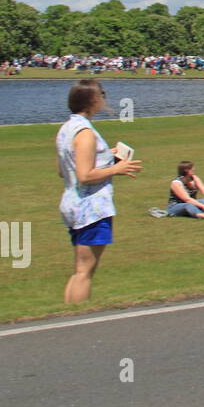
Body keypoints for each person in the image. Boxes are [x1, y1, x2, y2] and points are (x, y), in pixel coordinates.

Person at [57, 80, 141, 303]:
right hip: (91, 208)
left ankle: (67, 315)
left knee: (79, 270)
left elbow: (63, 170)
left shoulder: (67, 128)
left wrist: (106, 155)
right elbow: (85, 175)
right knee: (85, 271)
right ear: (93, 100)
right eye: (102, 95)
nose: (105, 99)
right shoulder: (85, 133)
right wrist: (117, 168)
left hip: (73, 204)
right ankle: (75, 320)